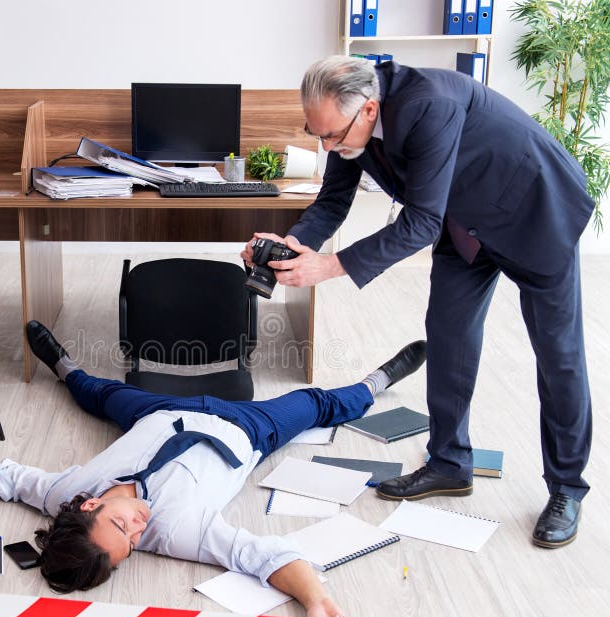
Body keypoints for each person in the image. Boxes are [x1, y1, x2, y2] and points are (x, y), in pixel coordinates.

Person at [242, 56, 594, 548]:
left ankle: (567, 488)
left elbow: (419, 224)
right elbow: (331, 202)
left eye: (331, 136)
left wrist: (329, 267)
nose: (325, 146)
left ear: (368, 110)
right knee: (449, 336)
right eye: (315, 134)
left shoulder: (430, 103)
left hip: (534, 212)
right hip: (463, 221)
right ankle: (450, 463)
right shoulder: (349, 128)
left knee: (558, 359)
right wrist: (292, 245)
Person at [0, 320, 426, 617]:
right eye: (133, 542)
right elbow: (263, 556)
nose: (140, 528)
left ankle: (61, 361)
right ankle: (380, 379)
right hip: (243, 429)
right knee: (315, 402)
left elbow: (2, 478)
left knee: (95, 392)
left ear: (88, 505)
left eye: (123, 526)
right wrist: (315, 600)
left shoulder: (64, 495)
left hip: (156, 413)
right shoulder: (178, 535)